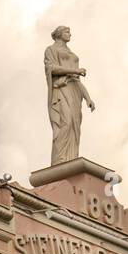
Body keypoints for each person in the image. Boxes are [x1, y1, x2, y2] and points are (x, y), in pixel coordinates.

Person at [43, 25, 95, 164]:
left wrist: (87, 97)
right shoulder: (51, 50)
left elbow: (76, 79)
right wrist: (75, 71)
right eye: (67, 32)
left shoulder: (71, 52)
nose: (70, 34)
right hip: (62, 87)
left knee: (74, 126)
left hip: (75, 90)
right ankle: (59, 159)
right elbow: (51, 68)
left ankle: (71, 158)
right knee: (66, 122)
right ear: (59, 34)